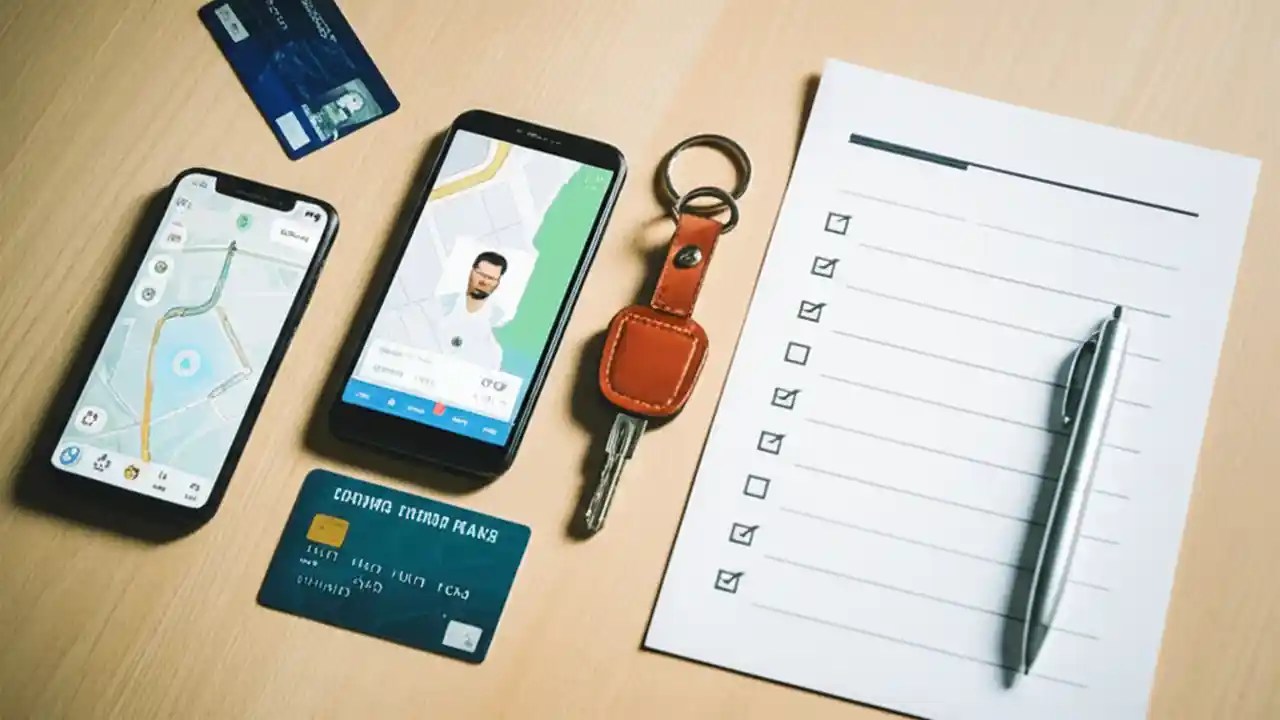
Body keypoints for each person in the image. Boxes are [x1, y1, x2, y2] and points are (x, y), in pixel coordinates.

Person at [426, 251, 508, 370]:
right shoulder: (441, 304)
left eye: (490, 278)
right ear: (471, 272)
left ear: (497, 282)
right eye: (481, 274)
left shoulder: (497, 328)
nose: (484, 281)